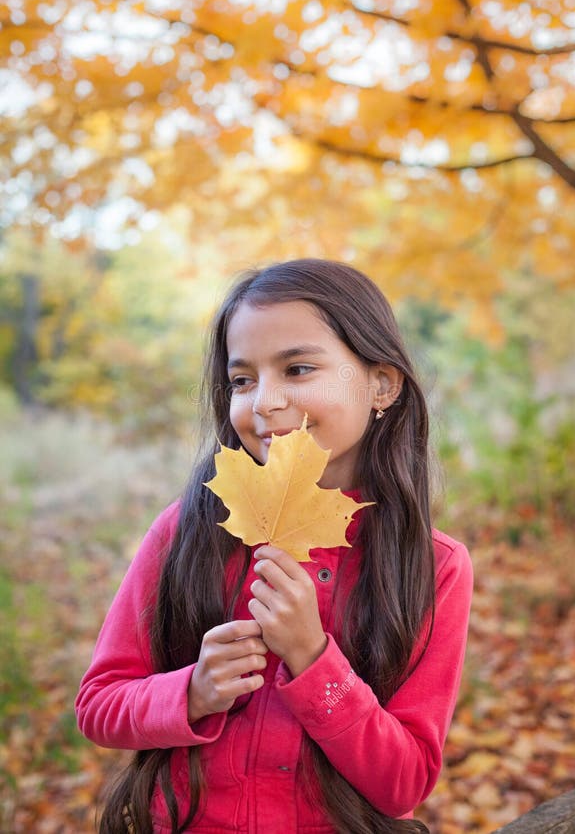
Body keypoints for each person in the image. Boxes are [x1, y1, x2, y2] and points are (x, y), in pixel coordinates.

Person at [75, 258, 473, 834]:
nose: (264, 401)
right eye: (242, 380)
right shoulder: (187, 531)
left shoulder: (433, 566)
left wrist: (313, 657)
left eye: (299, 368)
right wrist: (192, 691)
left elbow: (404, 782)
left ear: (381, 384)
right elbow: (99, 705)